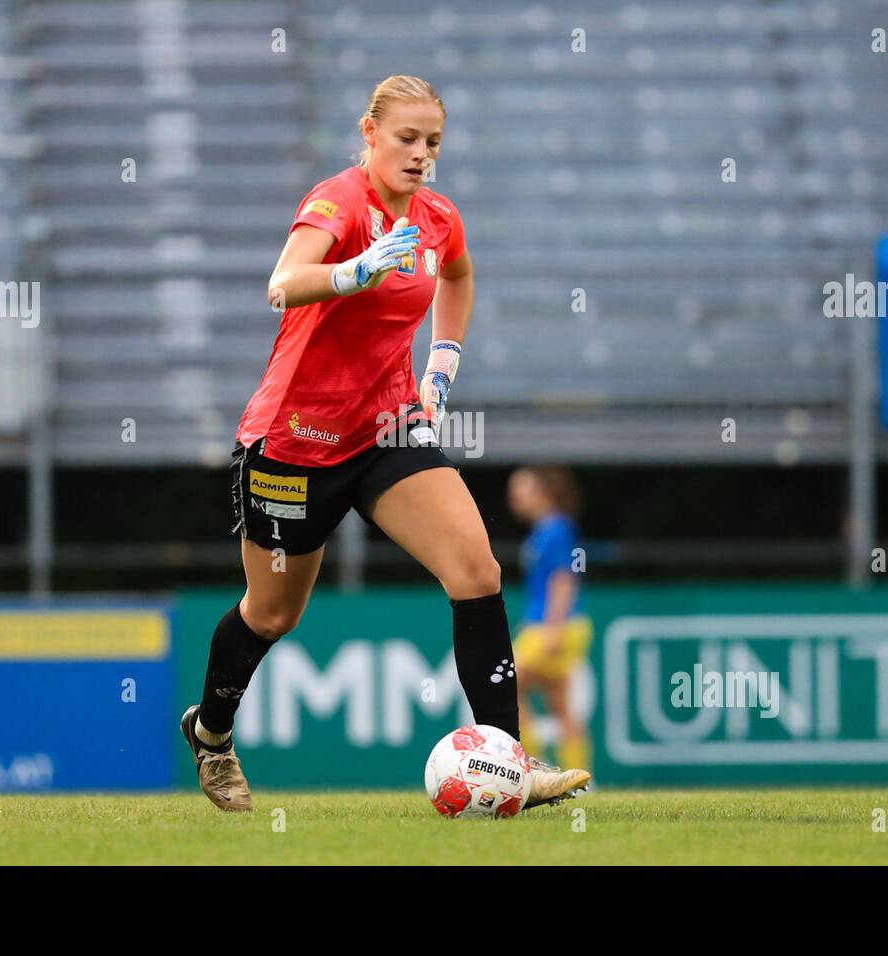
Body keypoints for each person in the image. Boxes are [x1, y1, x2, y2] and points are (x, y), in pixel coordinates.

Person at [178, 75, 590, 811]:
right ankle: (211, 735)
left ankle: (510, 764)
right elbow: (282, 282)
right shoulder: (338, 200)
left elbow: (458, 277)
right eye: (406, 138)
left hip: (387, 428)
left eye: (433, 141)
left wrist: (441, 365)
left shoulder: (436, 218)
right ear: (369, 133)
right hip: (295, 442)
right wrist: (354, 271)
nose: (421, 153)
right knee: (273, 615)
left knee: (476, 569)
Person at [508, 467, 593, 776]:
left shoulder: (556, 529)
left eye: (521, 488)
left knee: (506, 684)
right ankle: (579, 779)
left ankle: (532, 768)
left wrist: (552, 629)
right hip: (545, 625)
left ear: (542, 492)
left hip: (557, 626)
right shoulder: (543, 530)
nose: (513, 496)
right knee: (560, 705)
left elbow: (563, 580)